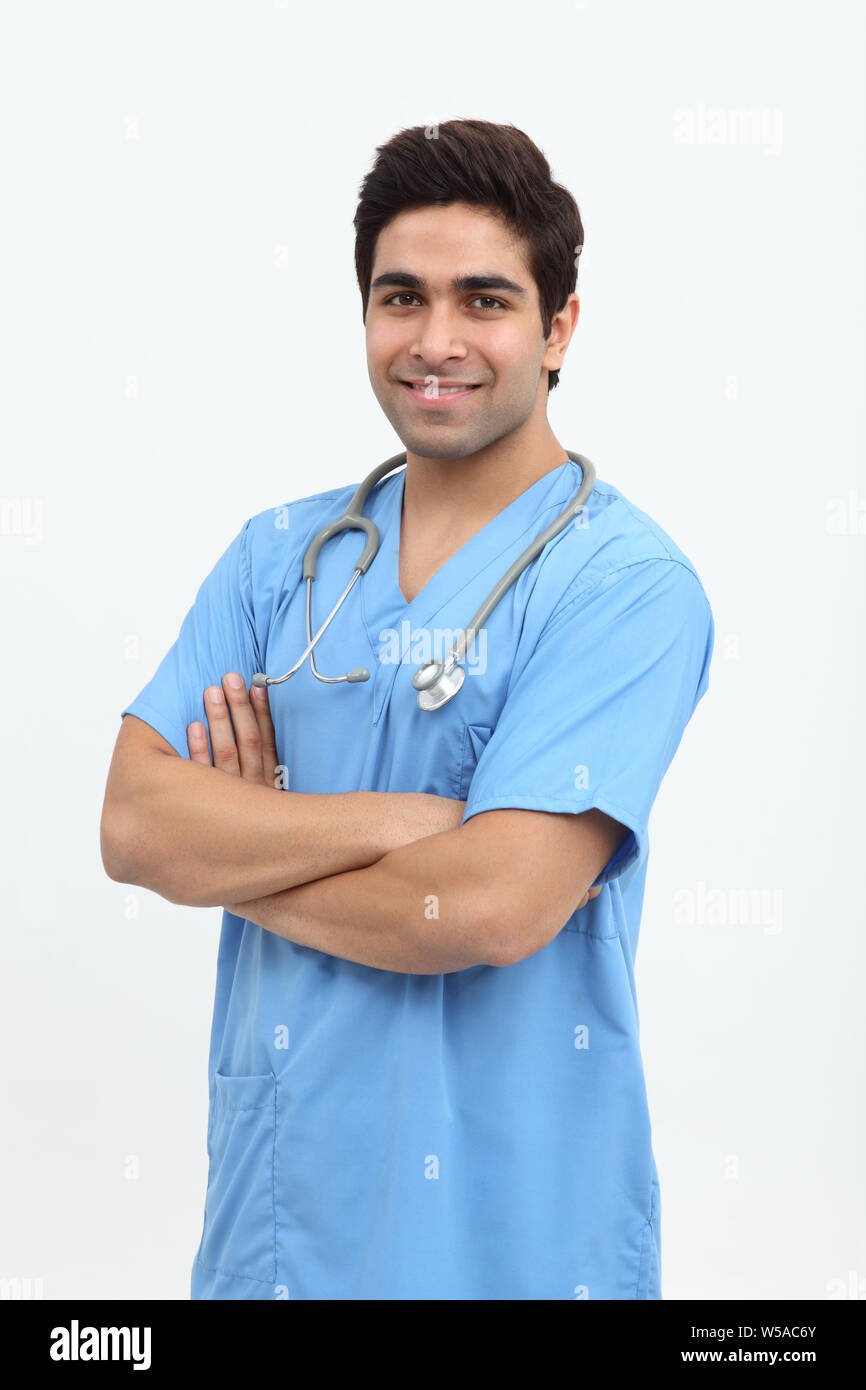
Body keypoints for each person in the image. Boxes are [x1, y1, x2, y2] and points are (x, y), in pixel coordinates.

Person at [100, 119, 714, 1300]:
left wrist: (232, 849)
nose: (435, 341)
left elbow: (487, 905)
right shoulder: (276, 558)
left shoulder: (626, 588)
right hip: (279, 1225)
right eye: (400, 298)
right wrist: (409, 820)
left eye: (484, 300)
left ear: (558, 327)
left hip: (515, 1238)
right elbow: (132, 827)